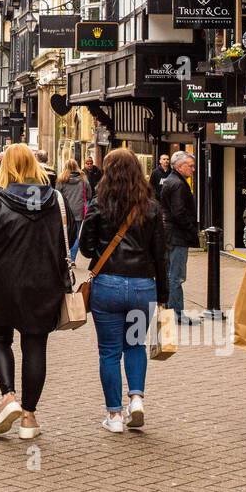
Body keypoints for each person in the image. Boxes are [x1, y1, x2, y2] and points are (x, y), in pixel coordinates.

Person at [0, 143, 68, 441]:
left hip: (1, 284)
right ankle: (29, 417)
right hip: (44, 284)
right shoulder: (56, 201)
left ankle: (8, 396)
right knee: (35, 345)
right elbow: (67, 237)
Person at [78, 148, 168, 433]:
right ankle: (137, 398)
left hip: (108, 285)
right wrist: (164, 296)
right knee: (135, 345)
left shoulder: (98, 204)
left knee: (109, 352)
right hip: (143, 286)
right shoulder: (151, 207)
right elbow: (160, 255)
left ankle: (114, 415)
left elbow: (86, 248)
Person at [158, 151, 200, 325]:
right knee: (176, 276)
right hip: (177, 236)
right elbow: (179, 212)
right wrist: (191, 230)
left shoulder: (172, 181)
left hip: (169, 234)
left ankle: (170, 309)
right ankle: (176, 313)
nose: (193, 169)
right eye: (190, 166)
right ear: (179, 166)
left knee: (170, 274)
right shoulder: (178, 185)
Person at [56, 158, 92, 262]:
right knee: (76, 235)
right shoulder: (83, 179)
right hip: (79, 211)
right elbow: (89, 195)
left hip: (64, 211)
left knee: (65, 234)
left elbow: (57, 194)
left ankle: (65, 257)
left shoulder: (61, 179)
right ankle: (72, 259)